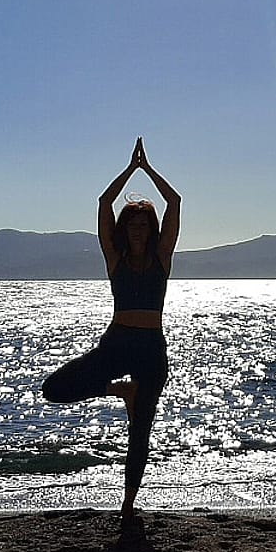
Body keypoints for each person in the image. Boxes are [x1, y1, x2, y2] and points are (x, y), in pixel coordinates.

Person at [42, 137, 181, 518]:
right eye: (132, 225)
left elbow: (175, 203)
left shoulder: (162, 259)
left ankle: (128, 505)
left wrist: (149, 170)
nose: (137, 230)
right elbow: (104, 204)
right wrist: (130, 169)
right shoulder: (114, 259)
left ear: (150, 230)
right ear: (125, 229)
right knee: (52, 388)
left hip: (152, 348)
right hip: (117, 343)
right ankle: (119, 390)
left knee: (141, 434)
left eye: (143, 225)